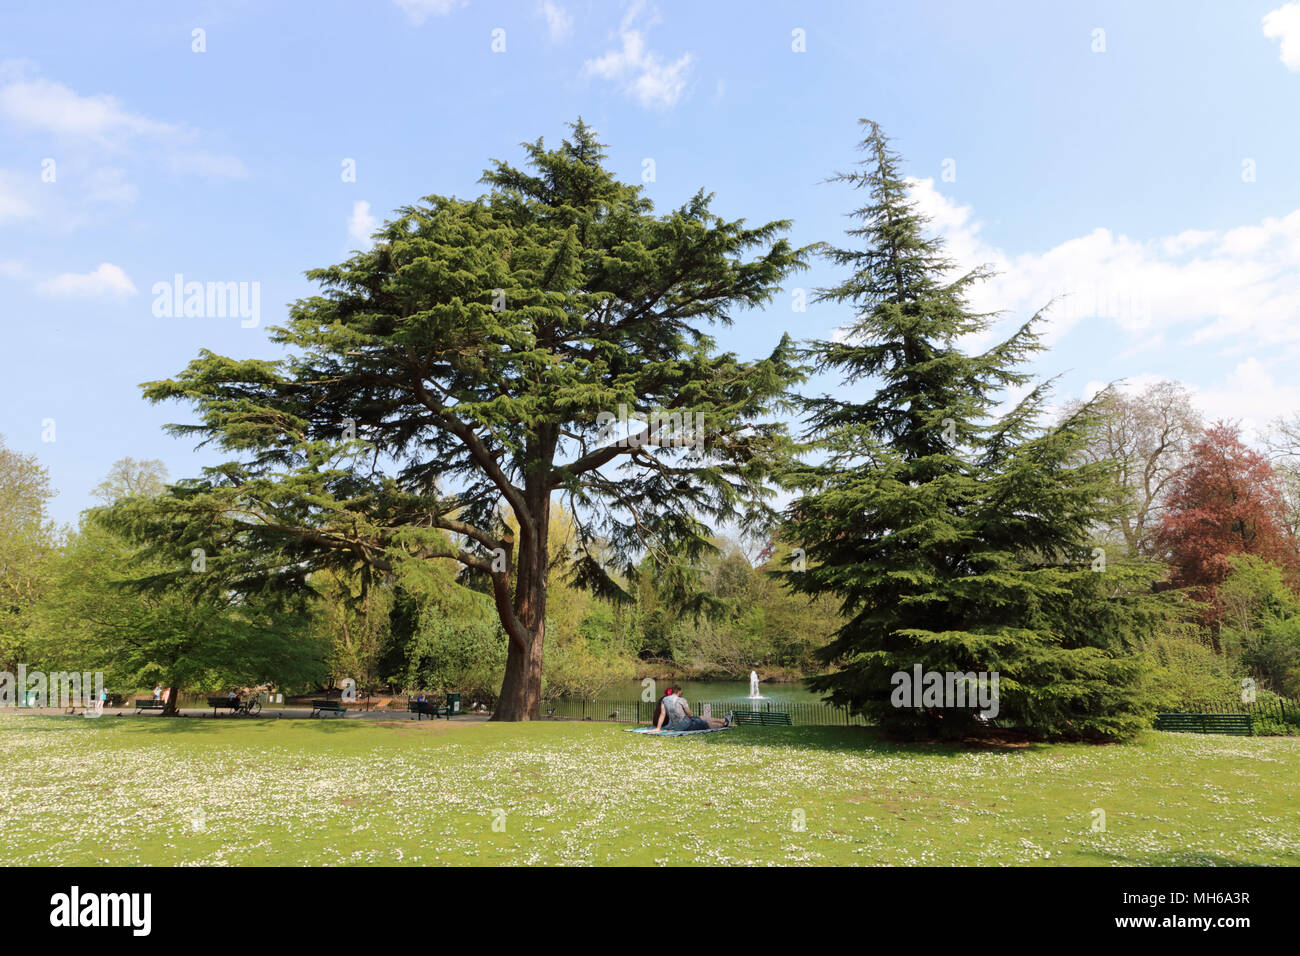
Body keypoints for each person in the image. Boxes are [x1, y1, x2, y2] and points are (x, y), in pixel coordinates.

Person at [650, 687, 728, 732]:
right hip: (683, 725)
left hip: (674, 725)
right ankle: (722, 723)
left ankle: (723, 721)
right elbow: (690, 714)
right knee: (704, 722)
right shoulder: (680, 700)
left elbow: (662, 714)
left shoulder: (664, 700)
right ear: (678, 692)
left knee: (701, 719)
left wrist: (658, 728)